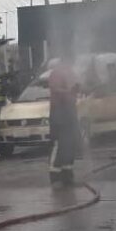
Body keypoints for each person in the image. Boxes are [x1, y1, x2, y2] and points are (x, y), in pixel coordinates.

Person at [47, 55, 79, 186]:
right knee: (59, 143)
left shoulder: (71, 73)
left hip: (70, 111)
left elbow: (76, 87)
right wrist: (68, 92)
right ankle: (55, 174)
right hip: (59, 111)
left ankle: (67, 173)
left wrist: (80, 89)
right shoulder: (56, 73)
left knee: (70, 142)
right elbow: (55, 88)